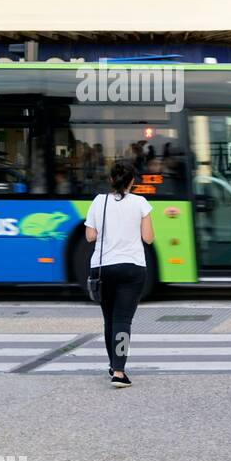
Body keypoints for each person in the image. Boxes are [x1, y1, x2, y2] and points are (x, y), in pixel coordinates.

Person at [85, 161, 155, 389]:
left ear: (111, 180)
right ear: (132, 182)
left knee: (109, 319)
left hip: (103, 268)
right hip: (132, 268)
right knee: (122, 320)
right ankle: (119, 371)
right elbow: (148, 238)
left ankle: (113, 363)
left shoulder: (99, 201)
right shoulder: (141, 203)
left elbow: (90, 236)